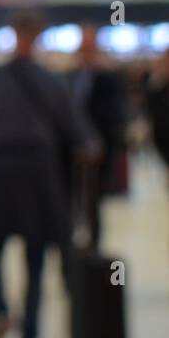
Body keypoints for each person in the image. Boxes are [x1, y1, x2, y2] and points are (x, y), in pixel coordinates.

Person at [0, 12, 82, 338]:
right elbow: (74, 129)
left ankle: (1, 311)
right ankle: (30, 336)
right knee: (36, 254)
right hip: (38, 172)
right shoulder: (51, 81)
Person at [66, 26, 127, 249]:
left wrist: (99, 145)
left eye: (90, 48)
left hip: (98, 154)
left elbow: (115, 117)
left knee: (94, 206)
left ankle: (93, 251)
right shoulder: (68, 77)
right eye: (83, 48)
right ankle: (71, 254)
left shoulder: (108, 80)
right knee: (70, 204)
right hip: (71, 154)